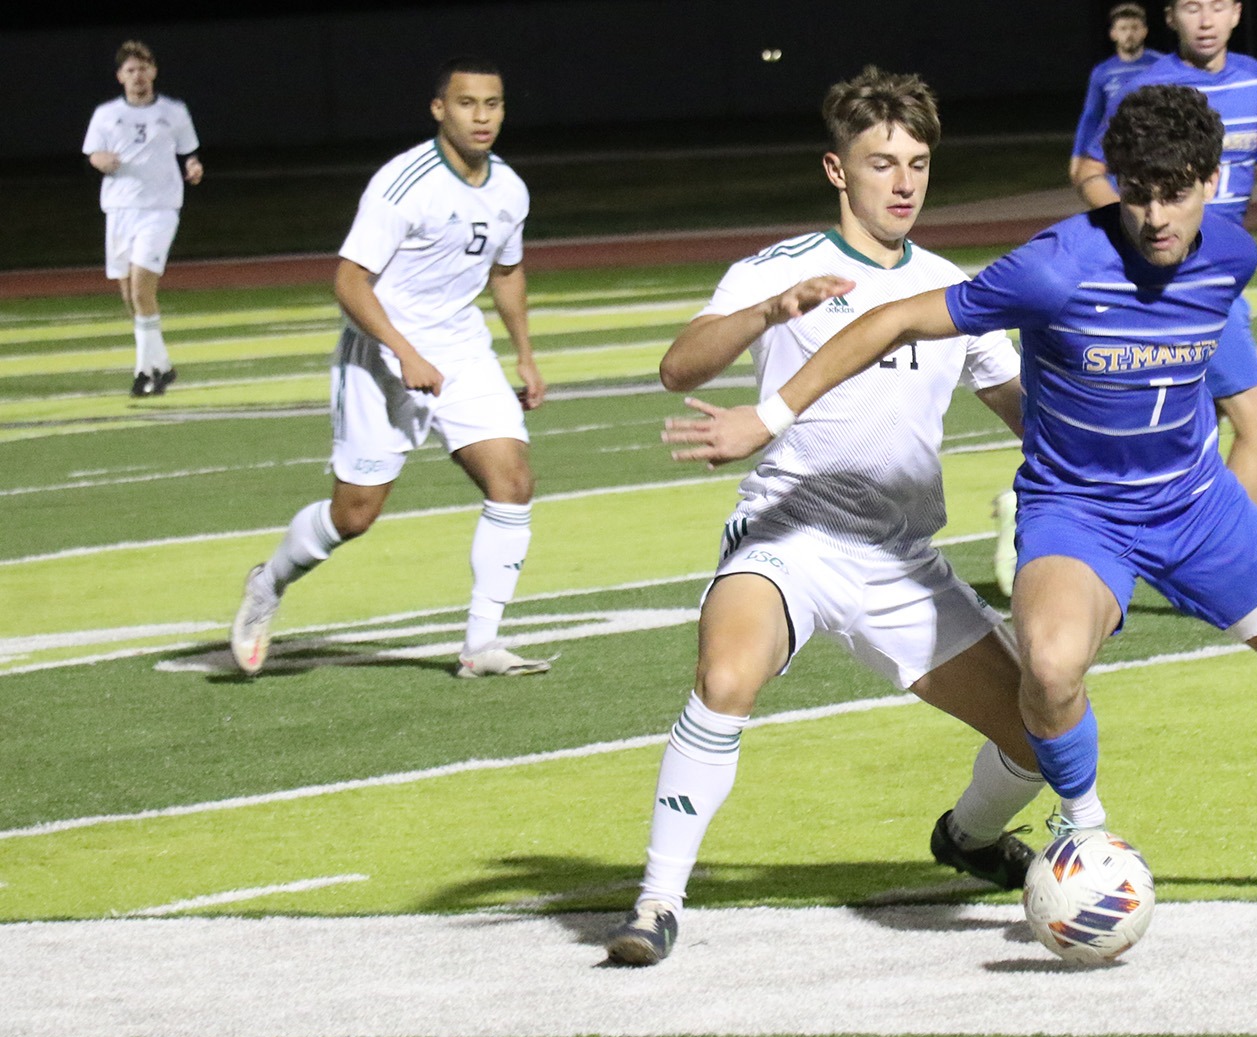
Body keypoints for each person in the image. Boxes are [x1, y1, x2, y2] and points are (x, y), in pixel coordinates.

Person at [667, 84, 1257, 889]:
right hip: (1079, 514)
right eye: (1135, 195)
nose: (1154, 218)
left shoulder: (1232, 258)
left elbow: (1204, 365)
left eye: (1174, 195)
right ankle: (1087, 839)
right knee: (1048, 669)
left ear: (1212, 182)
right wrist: (771, 414)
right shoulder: (1053, 267)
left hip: (1194, 504)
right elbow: (893, 318)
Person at [605, 68, 1046, 967]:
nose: (905, 181)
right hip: (789, 539)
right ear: (837, 171)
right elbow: (679, 368)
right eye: (882, 162)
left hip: (901, 562)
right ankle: (656, 903)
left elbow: (1027, 415)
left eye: (917, 162)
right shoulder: (778, 270)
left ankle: (965, 838)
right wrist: (767, 313)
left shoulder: (952, 290)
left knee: (1043, 734)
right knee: (726, 677)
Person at [229, 57, 551, 680]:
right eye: (467, 104)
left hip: (460, 352)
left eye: (493, 104)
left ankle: (480, 646)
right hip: (382, 354)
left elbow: (506, 272)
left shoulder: (511, 188)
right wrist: (405, 351)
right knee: (354, 515)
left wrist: (525, 355)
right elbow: (349, 281)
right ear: (439, 109)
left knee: (512, 482)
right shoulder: (404, 183)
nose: (481, 117)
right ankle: (268, 584)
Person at [992, 0, 1257, 594]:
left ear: (1237, 12)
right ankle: (1241, 576)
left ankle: (1033, 518)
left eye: (1218, 5)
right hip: (1168, 281)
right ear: (1170, 16)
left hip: (1213, 277)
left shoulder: (1254, 78)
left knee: (1185, 434)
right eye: (1192, 6)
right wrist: (1139, 227)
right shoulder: (1149, 85)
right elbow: (1086, 165)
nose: (1206, 18)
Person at [82, 40, 202, 399]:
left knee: (140, 289)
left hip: (159, 210)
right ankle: (160, 367)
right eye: (131, 70)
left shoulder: (173, 111)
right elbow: (92, 152)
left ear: (154, 72)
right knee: (129, 297)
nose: (138, 76)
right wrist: (100, 161)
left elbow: (189, 153)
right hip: (119, 210)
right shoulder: (105, 114)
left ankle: (142, 374)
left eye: (143, 68)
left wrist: (193, 166)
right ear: (121, 76)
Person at [1068, 4, 1164, 200]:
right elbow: (1091, 116)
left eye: (1134, 28)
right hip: (1118, 155)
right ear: (1113, 34)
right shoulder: (1103, 72)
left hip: (1154, 152)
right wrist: (1078, 155)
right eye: (1123, 29)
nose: (1129, 34)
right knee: (1120, 212)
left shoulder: (1160, 66)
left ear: (1144, 31)